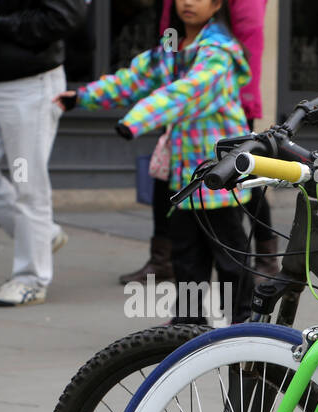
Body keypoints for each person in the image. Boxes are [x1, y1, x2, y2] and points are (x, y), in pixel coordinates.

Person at [59, 0, 253, 324]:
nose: (188, 2)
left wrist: (136, 119)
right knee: (186, 257)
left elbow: (186, 93)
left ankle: (245, 324)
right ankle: (188, 324)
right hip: (185, 179)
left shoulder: (220, 52)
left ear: (217, 4)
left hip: (220, 176)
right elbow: (132, 79)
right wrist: (82, 96)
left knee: (231, 259)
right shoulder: (171, 45)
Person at [0, 0, 86, 307]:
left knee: (26, 181)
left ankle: (31, 279)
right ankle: (42, 234)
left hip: (30, 87)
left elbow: (66, 17)